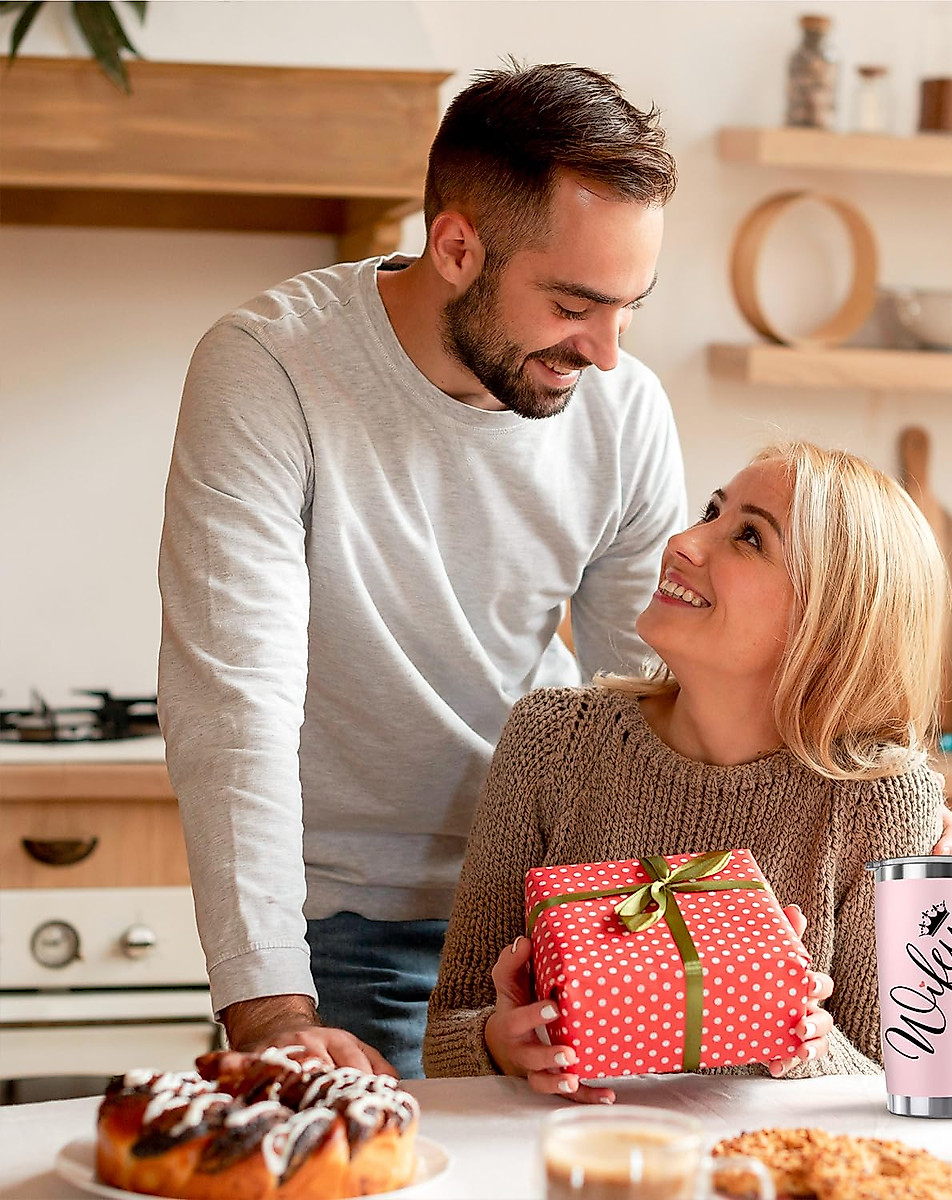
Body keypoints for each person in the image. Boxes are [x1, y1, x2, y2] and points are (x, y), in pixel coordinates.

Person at [157, 62, 689, 1081]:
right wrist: (270, 1010)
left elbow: (657, 700)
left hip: (553, 918)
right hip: (347, 929)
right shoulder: (270, 369)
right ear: (456, 246)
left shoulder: (624, 408)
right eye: (577, 303)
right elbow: (236, 698)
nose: (609, 353)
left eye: (629, 307)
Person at [424, 440, 952, 1100]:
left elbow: (915, 1089)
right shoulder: (551, 740)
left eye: (749, 538)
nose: (684, 540)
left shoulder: (885, 803)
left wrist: (805, 1042)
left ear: (827, 627)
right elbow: (448, 1032)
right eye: (712, 510)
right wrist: (498, 1046)